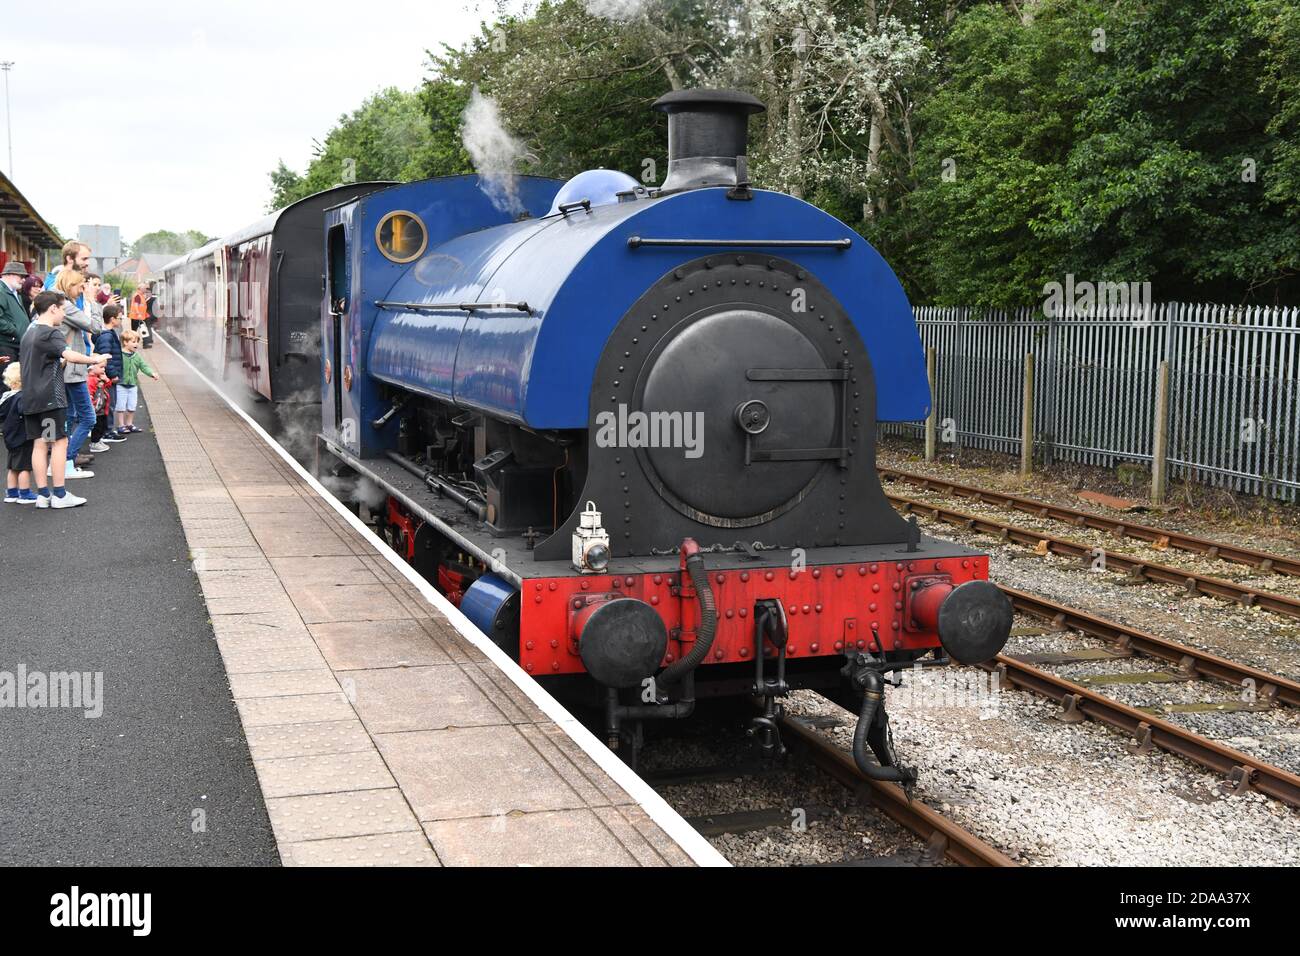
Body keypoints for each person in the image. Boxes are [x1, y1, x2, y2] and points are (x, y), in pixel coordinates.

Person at [18, 291, 108, 509]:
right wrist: (94, 359)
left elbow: (50, 364)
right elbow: (70, 355)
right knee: (59, 442)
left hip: (30, 399)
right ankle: (59, 495)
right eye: (63, 308)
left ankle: (42, 495)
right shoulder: (50, 333)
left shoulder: (28, 333)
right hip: (50, 400)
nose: (64, 314)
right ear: (53, 309)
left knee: (39, 445)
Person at [55, 270, 103, 476]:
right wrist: (92, 303)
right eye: (79, 286)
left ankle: (62, 462)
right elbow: (95, 327)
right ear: (69, 285)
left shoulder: (60, 304)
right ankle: (66, 460)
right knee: (88, 418)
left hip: (66, 370)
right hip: (72, 372)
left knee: (70, 415)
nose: (82, 290)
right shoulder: (67, 306)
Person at [2, 362, 38, 503]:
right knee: (24, 466)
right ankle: (24, 493)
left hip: (10, 435)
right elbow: (25, 411)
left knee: (12, 466)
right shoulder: (22, 397)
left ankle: (12, 493)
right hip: (22, 436)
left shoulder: (6, 396)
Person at [93, 305, 125, 441]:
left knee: (110, 403)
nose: (121, 319)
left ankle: (106, 430)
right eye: (119, 317)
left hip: (109, 375)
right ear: (112, 319)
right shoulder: (107, 336)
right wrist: (113, 374)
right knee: (109, 404)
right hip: (108, 377)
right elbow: (107, 356)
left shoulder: (108, 334)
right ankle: (107, 431)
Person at [117, 329, 157, 433]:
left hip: (133, 385)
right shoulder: (119, 355)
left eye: (137, 342)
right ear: (125, 342)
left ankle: (129, 424)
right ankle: (121, 425)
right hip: (121, 384)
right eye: (133, 342)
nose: (136, 344)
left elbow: (143, 366)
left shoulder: (137, 356)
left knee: (132, 406)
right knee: (120, 406)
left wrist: (151, 373)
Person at [0, 261, 31, 365]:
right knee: (6, 379)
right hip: (6, 346)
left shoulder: (14, 292)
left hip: (15, 345)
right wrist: (14, 330)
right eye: (21, 276)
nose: (23, 280)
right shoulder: (1, 291)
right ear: (9, 274)